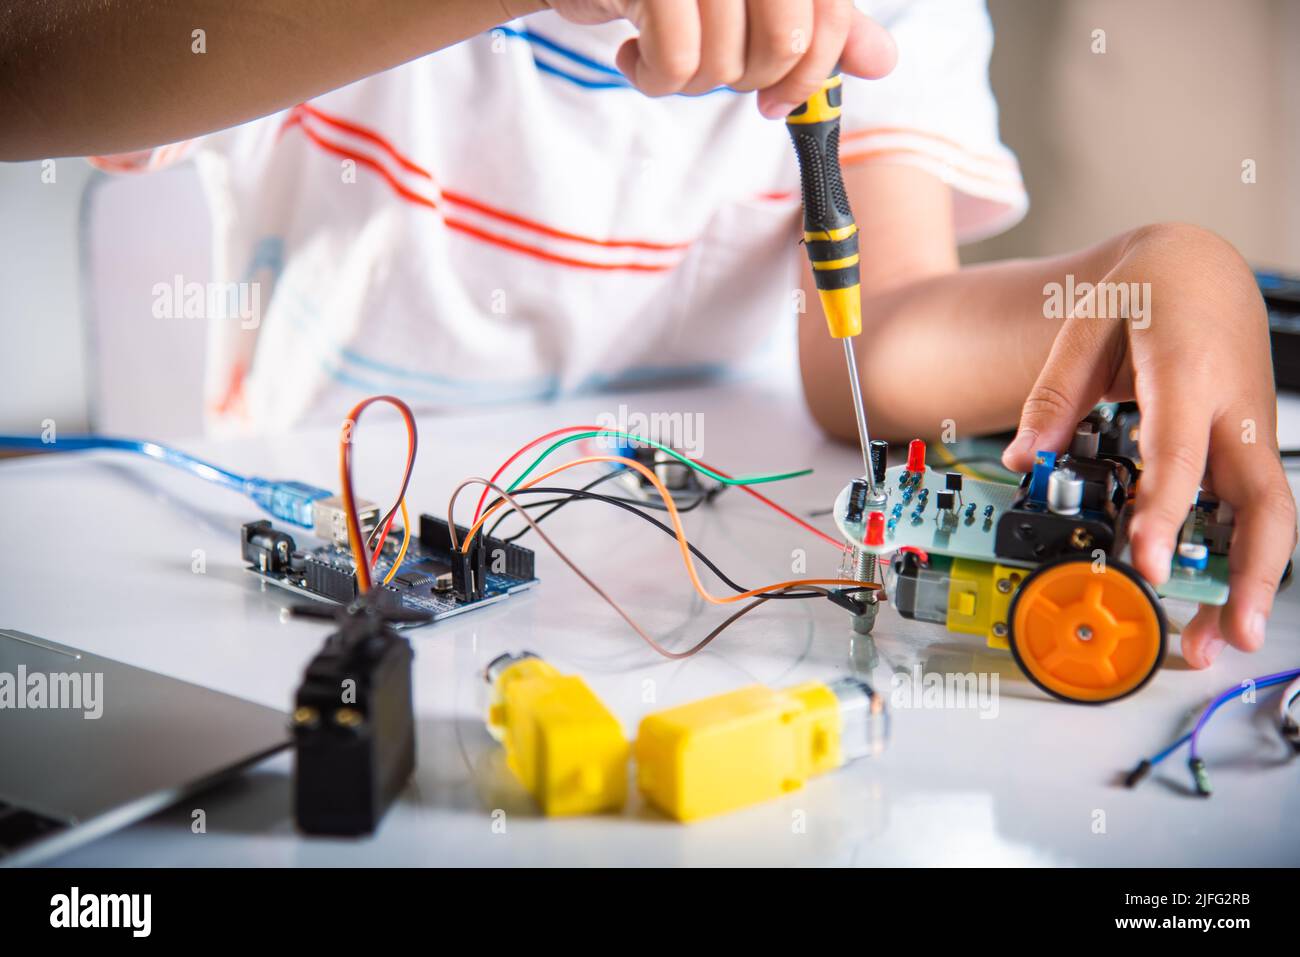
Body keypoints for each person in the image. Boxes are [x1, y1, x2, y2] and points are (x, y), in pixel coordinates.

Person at [2, 0, 1293, 668]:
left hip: (678, 641)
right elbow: (33, 67)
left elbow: (878, 353)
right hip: (323, 617)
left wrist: (1144, 270)